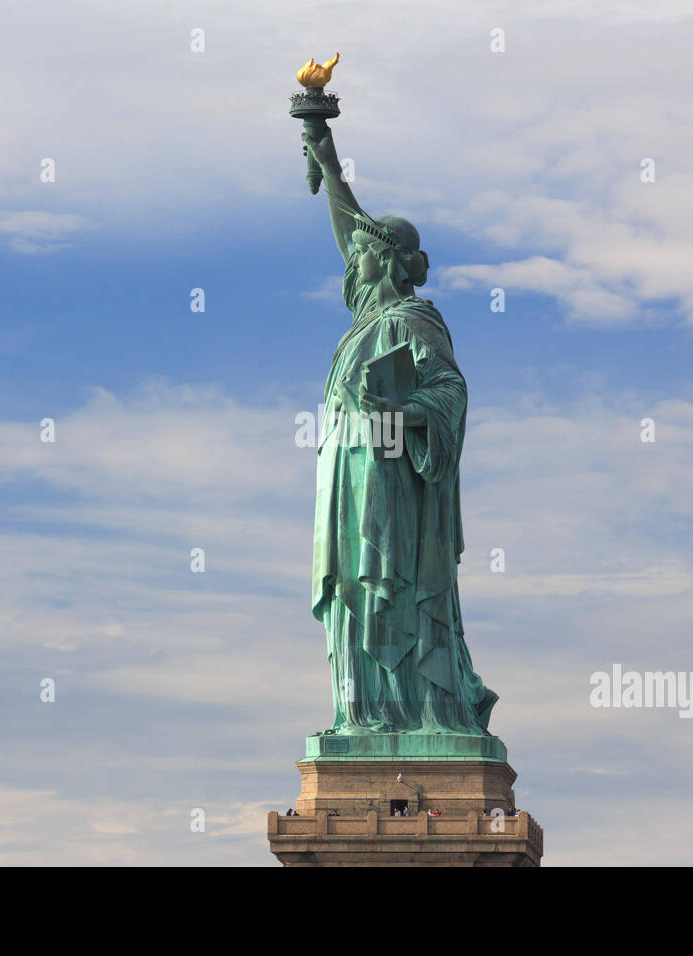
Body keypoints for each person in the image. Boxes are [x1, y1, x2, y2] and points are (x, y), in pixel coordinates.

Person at [302, 120, 498, 736]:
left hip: (388, 470)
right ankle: (359, 711)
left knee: (384, 581)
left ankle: (406, 710)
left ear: (383, 261)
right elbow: (347, 226)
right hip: (346, 469)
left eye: (360, 255)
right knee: (354, 593)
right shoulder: (369, 315)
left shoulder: (412, 320)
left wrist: (402, 414)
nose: (349, 262)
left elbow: (450, 390)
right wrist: (320, 145)